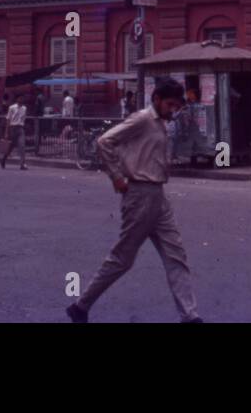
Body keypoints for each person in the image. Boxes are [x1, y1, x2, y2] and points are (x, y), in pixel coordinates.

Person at [66, 78, 201, 323]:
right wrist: (116, 177)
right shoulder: (142, 119)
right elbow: (104, 141)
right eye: (169, 104)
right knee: (122, 259)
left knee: (176, 256)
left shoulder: (160, 123)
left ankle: (190, 316)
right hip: (139, 195)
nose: (173, 109)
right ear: (157, 99)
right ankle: (80, 306)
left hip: (158, 196)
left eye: (176, 105)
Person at [1, 93, 29, 169]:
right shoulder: (12, 107)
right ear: (17, 99)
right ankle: (4, 159)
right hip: (12, 128)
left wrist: (23, 126)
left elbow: (24, 119)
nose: (21, 99)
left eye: (22, 98)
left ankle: (22, 164)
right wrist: (6, 132)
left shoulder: (24, 108)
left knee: (22, 146)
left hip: (20, 128)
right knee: (10, 147)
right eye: (20, 98)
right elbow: (8, 119)